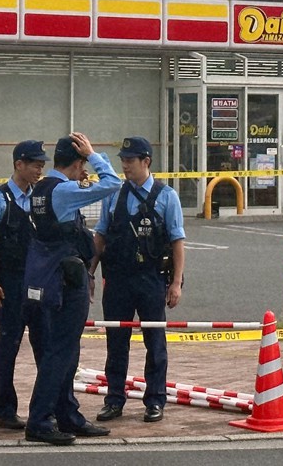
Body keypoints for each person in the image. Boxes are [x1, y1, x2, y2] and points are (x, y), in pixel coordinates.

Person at [24, 132, 121, 445]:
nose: (85, 171)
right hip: (66, 280)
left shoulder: (41, 188)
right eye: (83, 164)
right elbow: (112, 183)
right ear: (77, 162)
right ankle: (40, 420)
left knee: (64, 351)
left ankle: (68, 415)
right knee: (61, 352)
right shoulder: (64, 190)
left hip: (49, 277)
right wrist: (95, 155)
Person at [91, 136, 185, 424]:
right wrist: (89, 273)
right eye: (123, 160)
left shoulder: (166, 196)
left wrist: (176, 283)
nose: (125, 165)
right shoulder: (114, 194)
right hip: (117, 279)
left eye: (130, 160)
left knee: (154, 342)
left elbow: (177, 241)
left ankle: (155, 400)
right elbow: (100, 235)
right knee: (116, 343)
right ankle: (114, 400)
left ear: (146, 161)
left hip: (151, 279)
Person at [0, 140, 48, 430]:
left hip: (38, 282)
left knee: (44, 345)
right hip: (10, 282)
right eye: (35, 165)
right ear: (19, 164)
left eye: (42, 165)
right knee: (9, 346)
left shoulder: (40, 198)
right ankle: (5, 411)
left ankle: (45, 407)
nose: (39, 170)